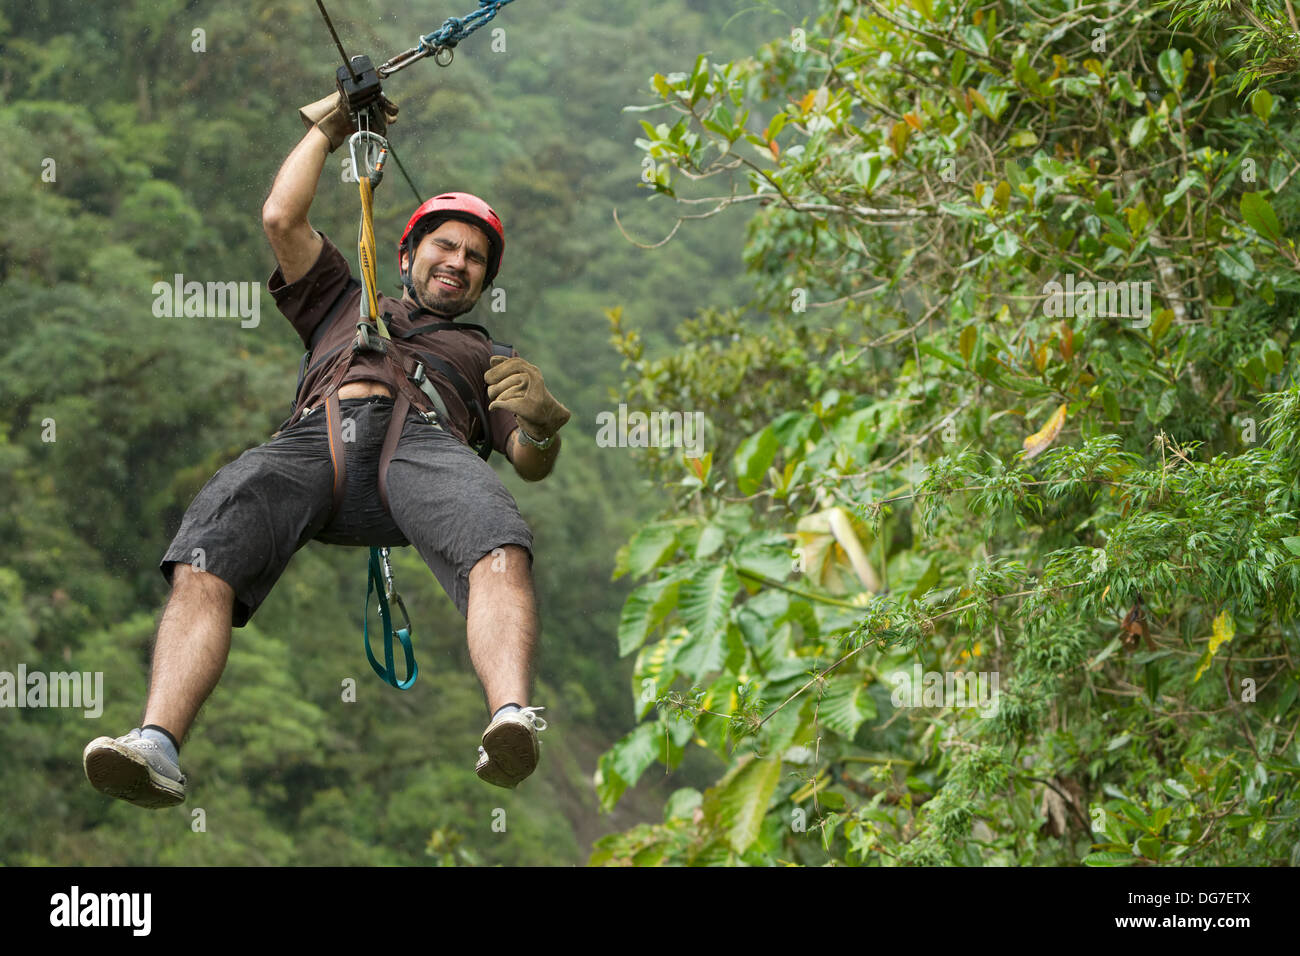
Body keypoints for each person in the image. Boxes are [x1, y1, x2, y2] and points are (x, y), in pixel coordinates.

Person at [82, 88, 569, 807]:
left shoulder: (489, 355)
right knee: (206, 550)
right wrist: (331, 125)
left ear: (483, 283)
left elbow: (528, 465)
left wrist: (540, 427)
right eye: (445, 245)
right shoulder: (343, 295)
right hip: (319, 436)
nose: (458, 262)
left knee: (500, 541)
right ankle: (156, 744)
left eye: (474, 259)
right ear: (405, 253)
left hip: (424, 450)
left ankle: (509, 716)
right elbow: (282, 216)